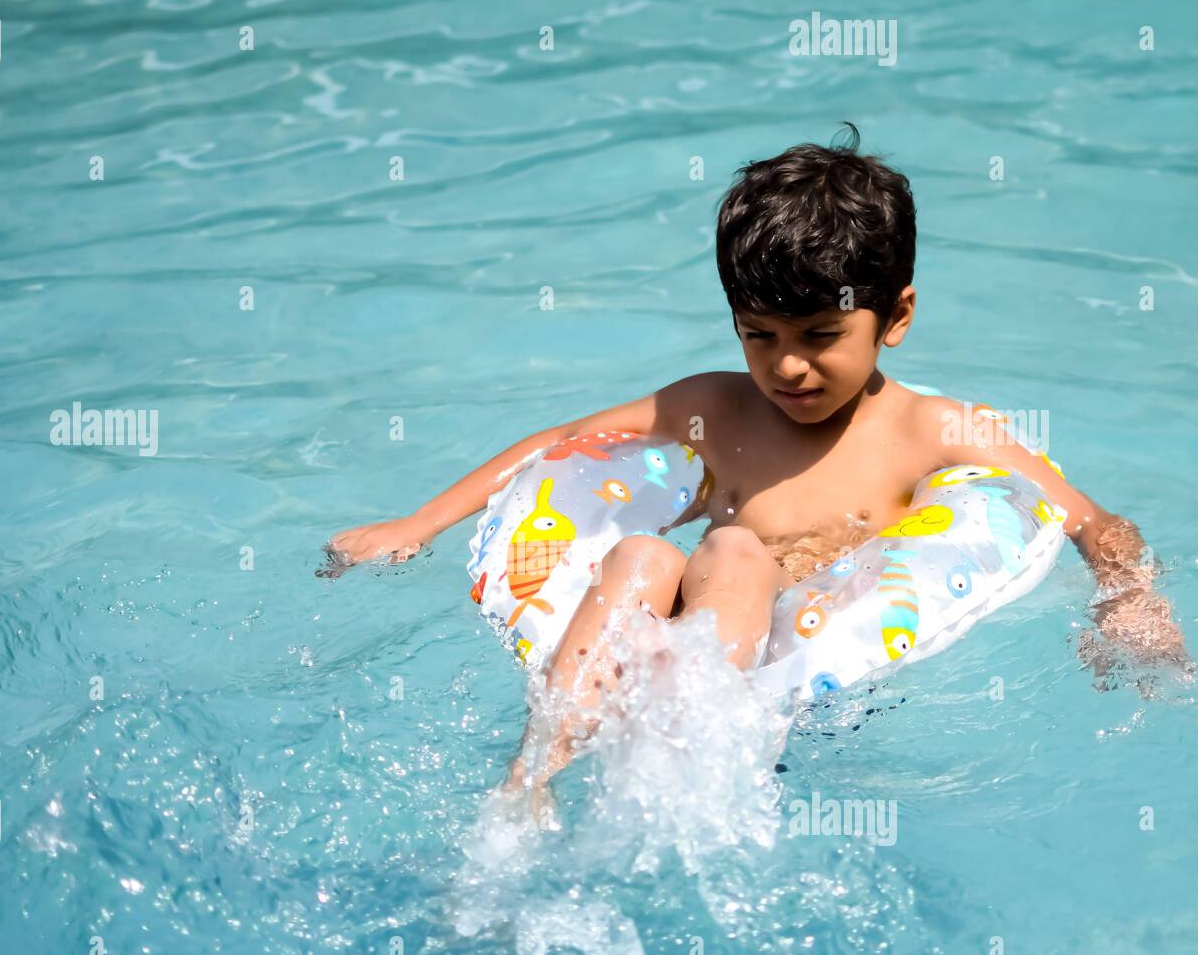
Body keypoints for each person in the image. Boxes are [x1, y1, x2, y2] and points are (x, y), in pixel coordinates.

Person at [329, 127, 1188, 792]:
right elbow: (561, 448)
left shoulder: (934, 430)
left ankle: (693, 775)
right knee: (639, 555)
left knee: (734, 548)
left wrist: (1131, 599)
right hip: (675, 646)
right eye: (758, 336)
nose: (786, 366)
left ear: (896, 316)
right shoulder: (713, 409)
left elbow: (1089, 519)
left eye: (820, 337)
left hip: (804, 694)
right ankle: (529, 784)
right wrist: (419, 524)